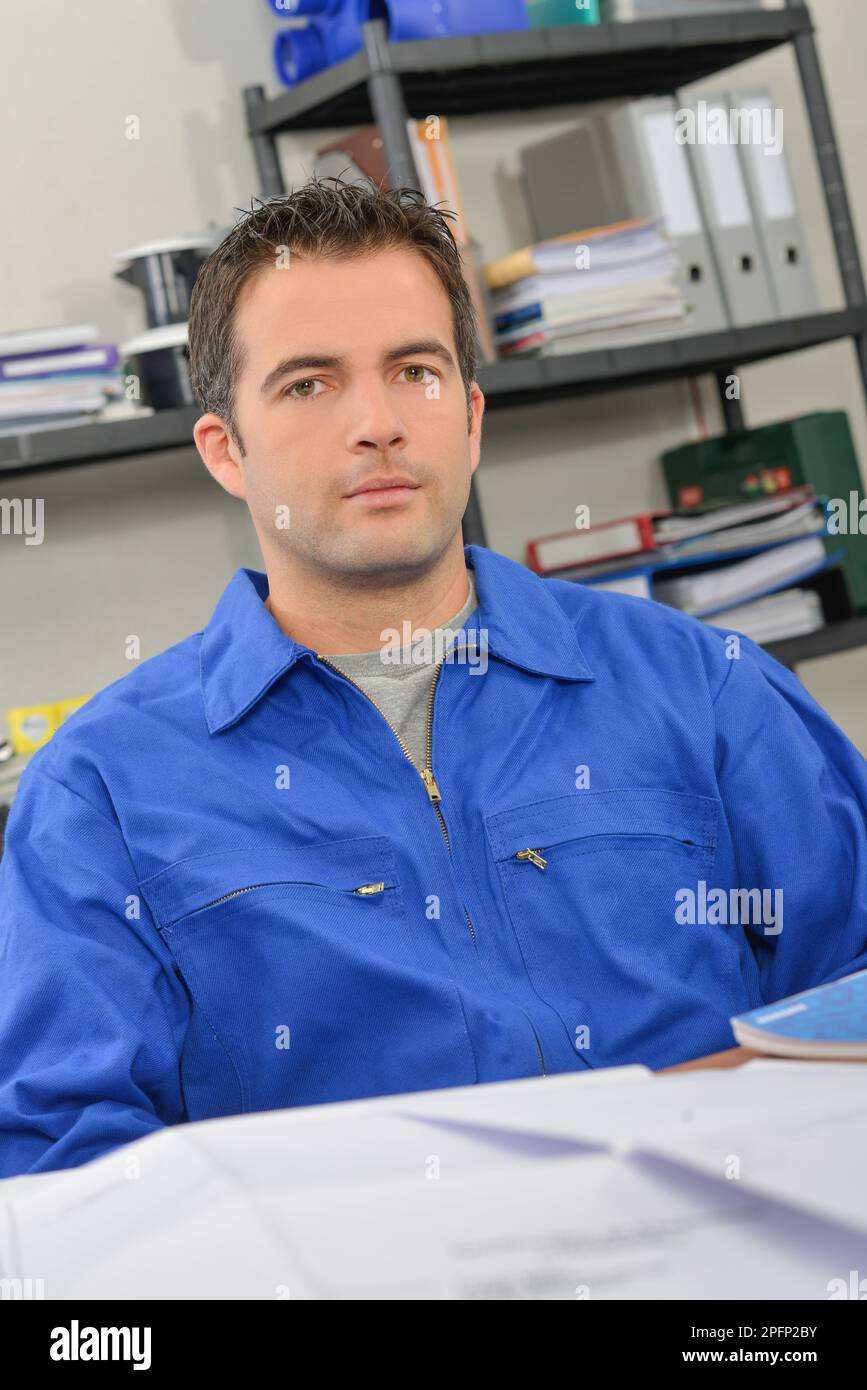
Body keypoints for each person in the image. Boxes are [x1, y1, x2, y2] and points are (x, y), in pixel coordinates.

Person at [1, 177, 866, 1179]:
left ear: (471, 415)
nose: (378, 423)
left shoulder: (704, 687)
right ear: (224, 450)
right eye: (308, 384)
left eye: (415, 370)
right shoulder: (99, 793)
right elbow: (60, 1163)